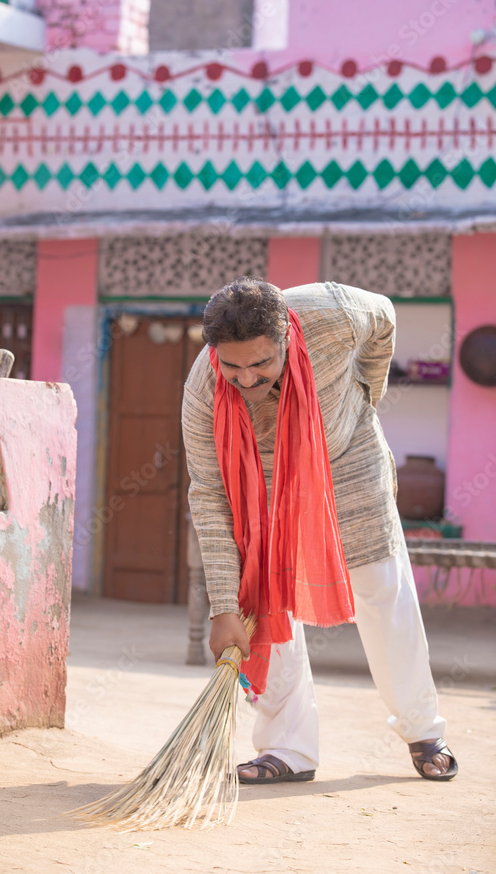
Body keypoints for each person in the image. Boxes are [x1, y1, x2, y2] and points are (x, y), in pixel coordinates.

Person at [181, 277, 457, 784]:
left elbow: (386, 316)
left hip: (346, 453)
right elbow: (209, 493)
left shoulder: (334, 312)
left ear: (287, 334)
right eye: (232, 366)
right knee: (267, 599)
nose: (245, 379)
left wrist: (363, 395)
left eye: (260, 363)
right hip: (260, 482)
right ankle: (287, 749)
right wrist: (224, 605)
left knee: (381, 584)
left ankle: (423, 729)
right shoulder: (202, 391)